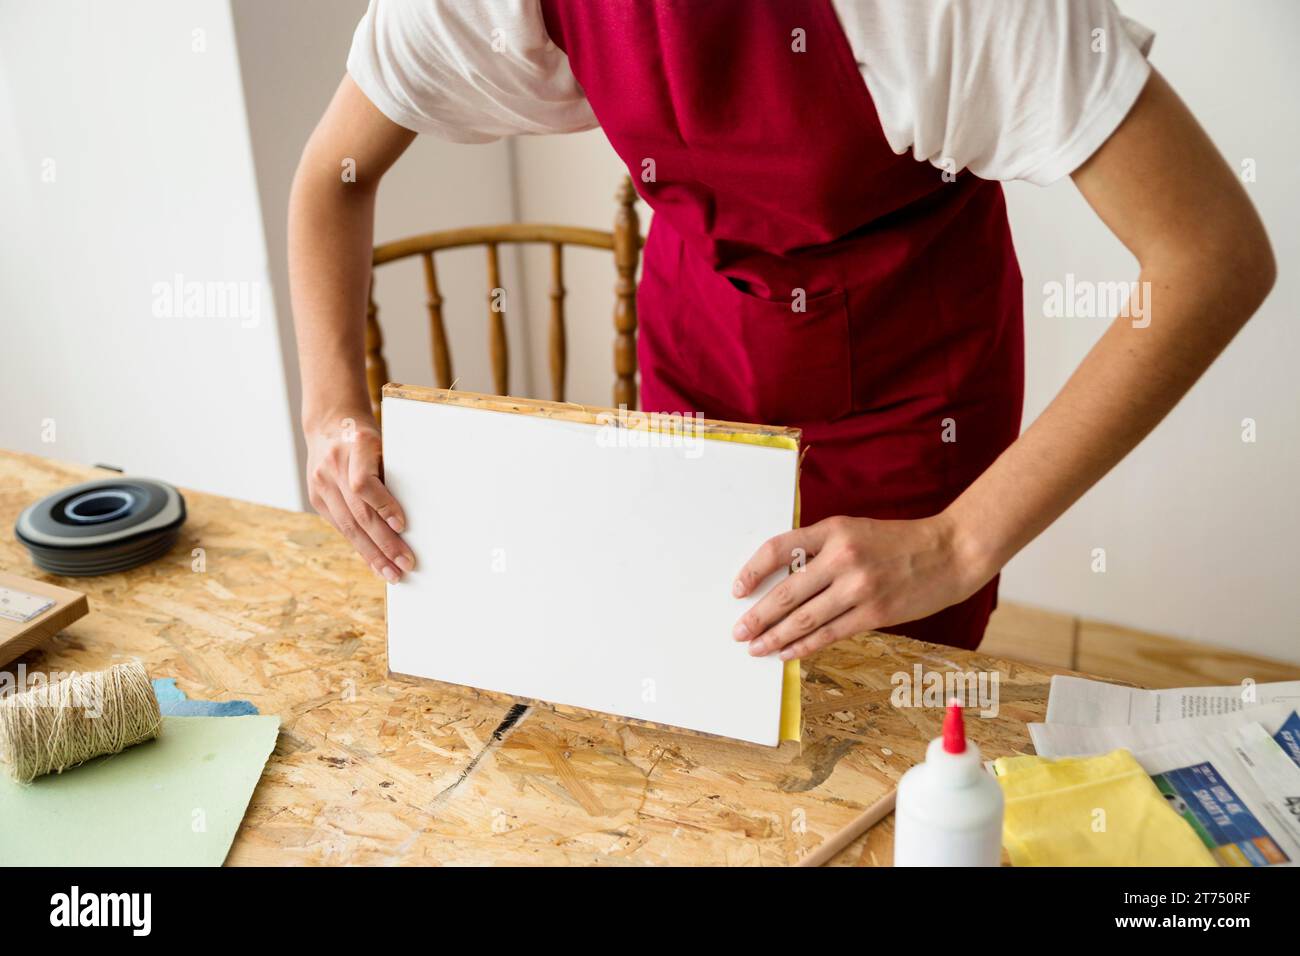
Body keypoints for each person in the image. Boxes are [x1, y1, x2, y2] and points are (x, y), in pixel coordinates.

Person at [288, 1, 1274, 661]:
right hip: (697, 337)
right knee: (704, 667)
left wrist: (954, 542)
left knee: (891, 722)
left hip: (912, 376)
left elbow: (1211, 256)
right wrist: (332, 408)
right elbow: (335, 175)